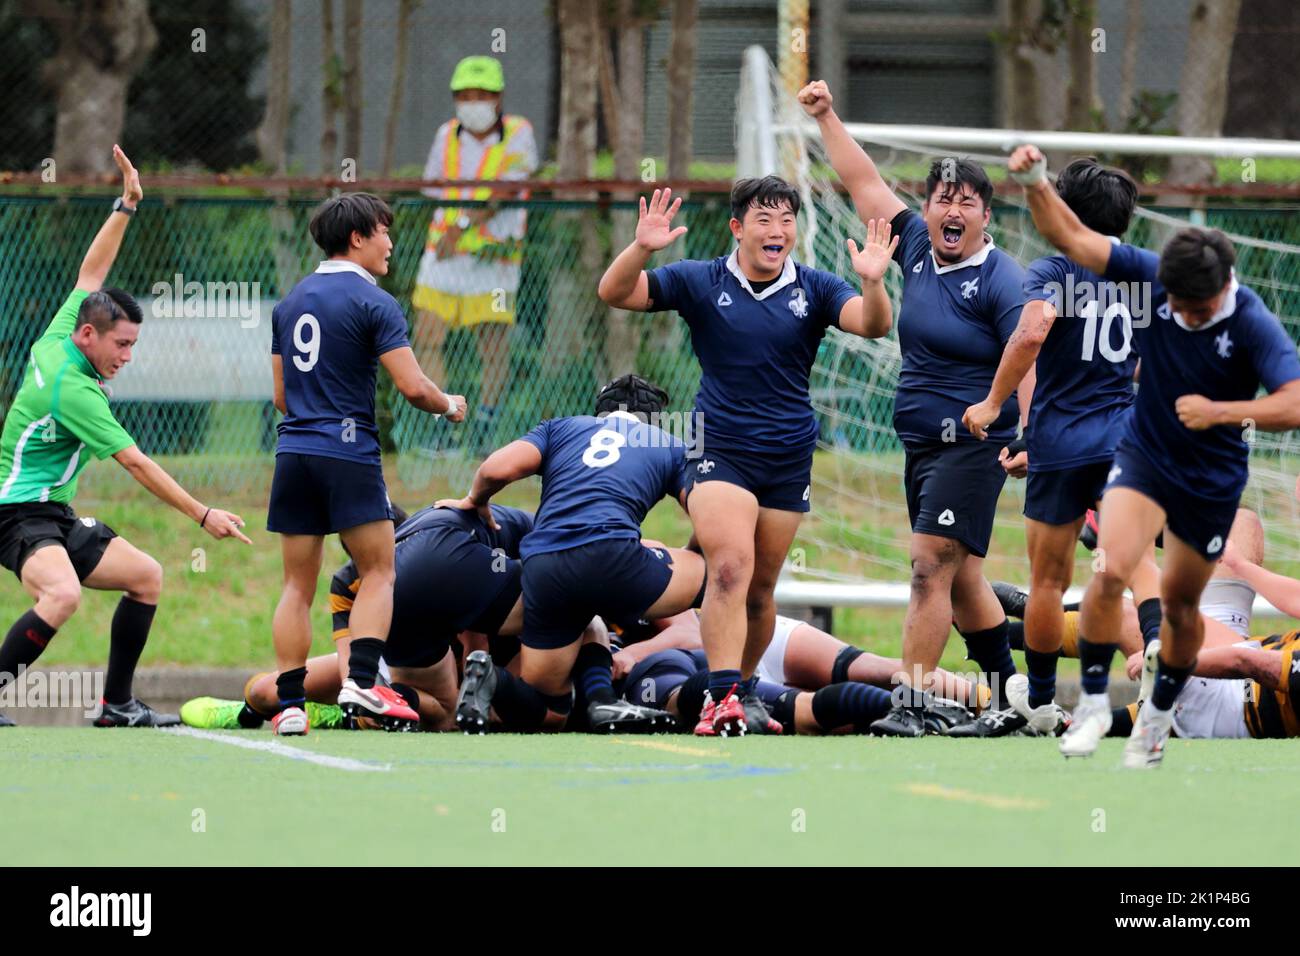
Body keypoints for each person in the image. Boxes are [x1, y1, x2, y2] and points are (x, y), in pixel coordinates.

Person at [1009, 143, 1300, 767]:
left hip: (1200, 473)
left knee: (1172, 599)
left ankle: (1140, 706)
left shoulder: (1248, 322)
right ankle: (1090, 702)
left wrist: (1220, 412)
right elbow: (1073, 239)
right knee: (1117, 569)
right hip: (1143, 457)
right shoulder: (1144, 275)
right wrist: (1036, 183)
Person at [598, 178, 896, 736]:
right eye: (764, 219)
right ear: (738, 228)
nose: (776, 230)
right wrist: (641, 247)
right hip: (718, 447)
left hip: (787, 456)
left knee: (760, 589)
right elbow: (615, 292)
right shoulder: (700, 280)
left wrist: (874, 282)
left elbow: (876, 324)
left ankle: (745, 690)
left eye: (786, 220)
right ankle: (721, 696)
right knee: (730, 567)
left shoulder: (816, 288)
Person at [798, 80, 1029, 736]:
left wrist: (1026, 429)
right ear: (925, 211)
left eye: (966, 202)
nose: (951, 211)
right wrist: (827, 116)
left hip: (974, 443)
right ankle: (1012, 699)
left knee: (929, 566)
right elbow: (862, 181)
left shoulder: (1001, 277)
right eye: (941, 200)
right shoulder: (920, 250)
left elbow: (1030, 348)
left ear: (986, 216)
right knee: (962, 582)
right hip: (922, 444)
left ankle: (915, 705)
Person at [0, 145, 250, 728]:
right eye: (122, 345)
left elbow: (92, 275)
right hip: (14, 513)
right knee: (62, 596)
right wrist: (202, 513)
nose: (128, 356)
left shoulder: (68, 330)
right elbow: (136, 464)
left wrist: (126, 205)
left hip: (51, 510)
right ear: (91, 335)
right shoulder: (74, 389)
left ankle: (117, 704)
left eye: (134, 345)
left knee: (145, 577)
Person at [268, 192, 466, 736]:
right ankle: (361, 681)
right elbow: (412, 386)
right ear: (357, 238)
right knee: (380, 570)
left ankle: (289, 706)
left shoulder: (289, 303)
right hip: (347, 452)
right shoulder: (375, 301)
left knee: (295, 586)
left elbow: (282, 397)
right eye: (384, 232)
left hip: (293, 453)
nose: (391, 243)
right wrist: (449, 405)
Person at [958, 158, 1144, 736]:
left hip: (1060, 443)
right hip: (1123, 438)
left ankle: (1041, 699)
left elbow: (1033, 331)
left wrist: (993, 405)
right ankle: (1158, 646)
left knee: (1047, 581)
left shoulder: (1055, 269)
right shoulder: (1139, 276)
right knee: (1134, 563)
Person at [448, 375, 709, 734]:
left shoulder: (562, 428)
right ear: (655, 419)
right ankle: (732, 688)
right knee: (724, 573)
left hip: (545, 566)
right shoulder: (668, 443)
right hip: (615, 557)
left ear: (599, 413)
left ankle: (495, 678)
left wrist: (475, 501)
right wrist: (694, 555)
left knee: (551, 705)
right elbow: (711, 516)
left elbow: (495, 469)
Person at [181, 502, 532, 733]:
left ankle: (355, 716)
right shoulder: (346, 582)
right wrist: (361, 695)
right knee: (261, 692)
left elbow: (476, 639)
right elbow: (350, 662)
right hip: (376, 668)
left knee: (446, 715)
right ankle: (263, 715)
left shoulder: (438, 564)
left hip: (433, 668)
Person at [411, 55, 537, 450]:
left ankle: (485, 428)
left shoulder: (519, 132)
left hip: (492, 260)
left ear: (498, 98)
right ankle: (441, 423)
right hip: (442, 258)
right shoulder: (446, 134)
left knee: (492, 343)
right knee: (427, 336)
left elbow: (506, 190)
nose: (473, 102)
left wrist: (462, 225)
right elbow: (431, 187)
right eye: (465, 95)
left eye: (481, 95)